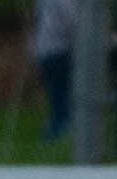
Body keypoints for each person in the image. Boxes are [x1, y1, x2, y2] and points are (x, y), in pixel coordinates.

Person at [35, 0, 75, 142]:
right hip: (58, 50)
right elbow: (70, 20)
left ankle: (55, 133)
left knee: (58, 95)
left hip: (46, 50)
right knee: (61, 96)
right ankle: (57, 134)